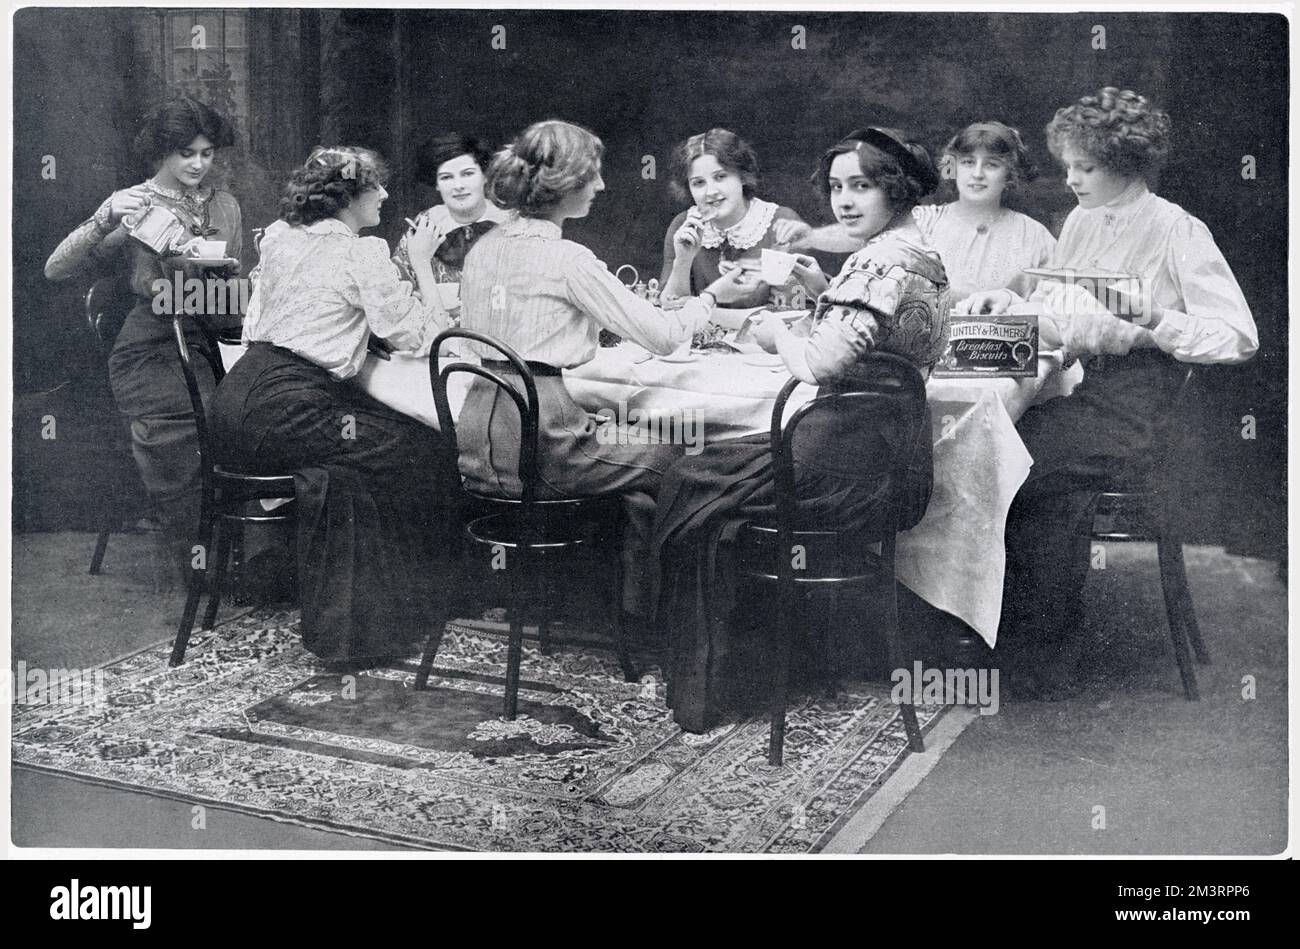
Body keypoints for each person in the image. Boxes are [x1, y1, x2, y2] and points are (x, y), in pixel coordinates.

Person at [651, 127, 951, 732]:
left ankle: (710, 679)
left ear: (894, 188)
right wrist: (819, 291)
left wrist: (777, 334)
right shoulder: (923, 257)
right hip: (883, 459)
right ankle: (737, 657)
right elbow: (873, 342)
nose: (844, 201)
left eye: (861, 187)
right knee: (703, 475)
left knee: (684, 475)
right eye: (838, 187)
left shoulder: (877, 263)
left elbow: (819, 365)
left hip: (838, 468)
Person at [961, 88, 1258, 697]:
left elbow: (1237, 338)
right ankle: (1017, 640)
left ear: (1125, 161)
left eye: (1085, 168)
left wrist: (1152, 318)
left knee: (1013, 463)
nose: (1069, 179)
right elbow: (1065, 311)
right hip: (1085, 387)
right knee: (989, 449)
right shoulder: (1081, 220)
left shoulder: (1177, 228)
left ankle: (1032, 652)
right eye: (1067, 164)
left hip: (1140, 404)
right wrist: (1013, 303)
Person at [457, 120, 754, 613]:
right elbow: (661, 337)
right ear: (565, 183)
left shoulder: (483, 247)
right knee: (684, 459)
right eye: (592, 175)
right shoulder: (568, 259)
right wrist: (711, 298)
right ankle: (671, 615)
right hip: (544, 446)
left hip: (478, 441)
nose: (601, 186)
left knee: (635, 457)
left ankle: (633, 601)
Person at [209, 146, 451, 665]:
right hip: (289, 408)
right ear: (347, 198)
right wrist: (424, 270)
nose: (385, 195)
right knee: (425, 447)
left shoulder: (279, 237)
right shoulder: (360, 252)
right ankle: (420, 602)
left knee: (347, 470)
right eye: (376, 187)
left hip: (234, 405)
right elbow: (414, 336)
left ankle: (360, 625)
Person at [45, 95, 241, 579]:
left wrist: (229, 286)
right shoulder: (136, 204)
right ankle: (201, 564)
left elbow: (234, 290)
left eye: (207, 153)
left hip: (214, 338)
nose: (198, 164)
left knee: (254, 414)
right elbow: (56, 270)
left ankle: (249, 555)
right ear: (161, 152)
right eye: (186, 153)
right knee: (184, 427)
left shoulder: (227, 204)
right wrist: (103, 218)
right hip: (150, 349)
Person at [659, 128, 808, 309]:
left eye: (720, 177)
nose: (711, 192)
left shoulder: (782, 223)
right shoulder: (683, 226)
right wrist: (683, 261)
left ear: (742, 176)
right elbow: (669, 311)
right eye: (698, 183)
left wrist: (705, 309)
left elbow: (789, 313)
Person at [912, 121, 1055, 301]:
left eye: (992, 165)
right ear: (953, 167)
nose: (978, 174)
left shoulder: (1033, 236)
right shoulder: (923, 222)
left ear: (1010, 174)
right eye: (968, 162)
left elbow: (1054, 305)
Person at [392, 132, 508, 322]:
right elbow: (397, 294)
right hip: (435, 338)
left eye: (468, 174)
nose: (458, 185)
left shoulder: (511, 226)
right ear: (436, 184)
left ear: (485, 176)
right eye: (446, 178)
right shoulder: (424, 225)